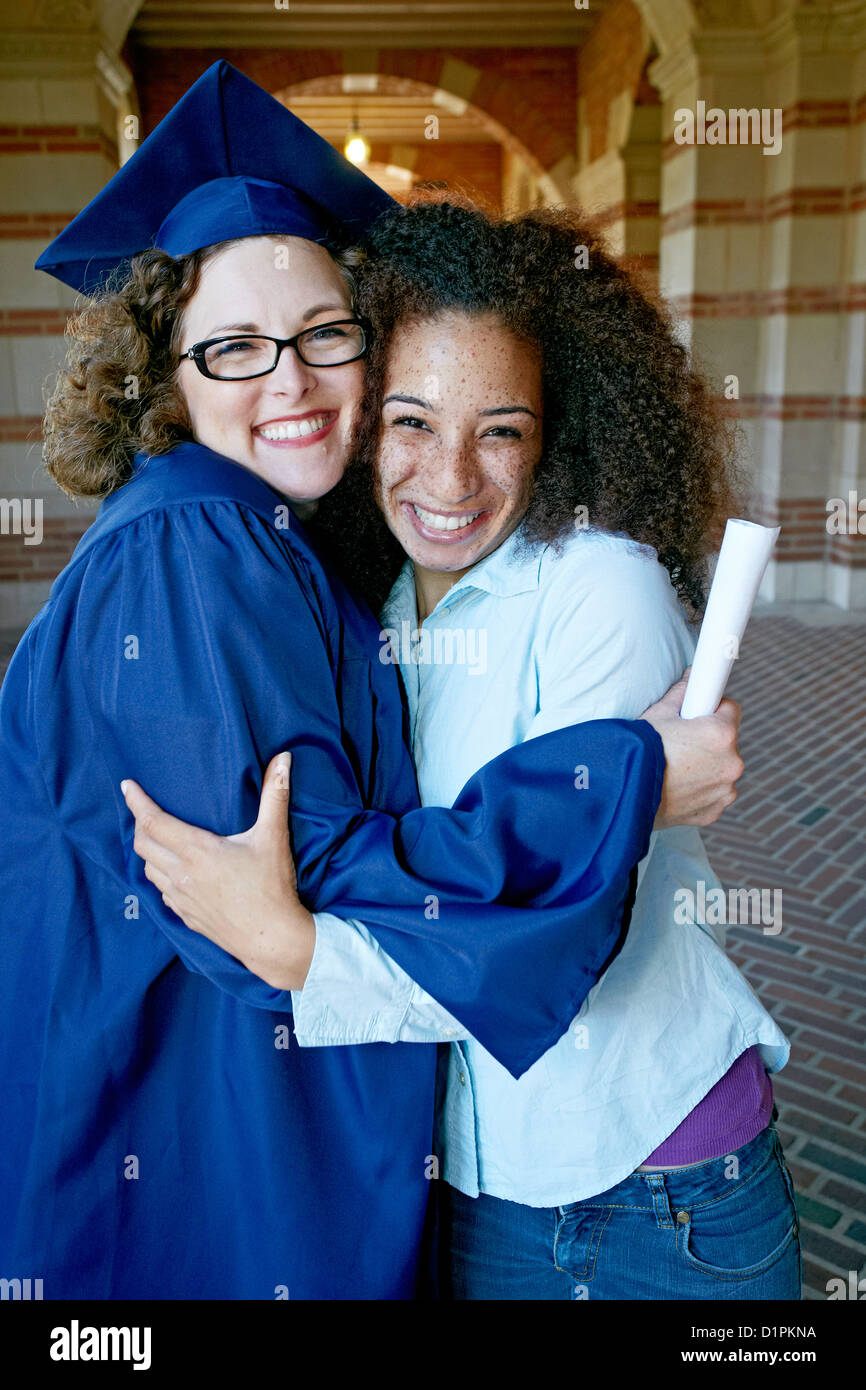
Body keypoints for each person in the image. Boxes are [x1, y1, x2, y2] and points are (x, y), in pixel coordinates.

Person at [0, 63, 743, 1301]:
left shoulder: (274, 542)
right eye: (232, 347)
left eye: (322, 334)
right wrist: (627, 779)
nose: (286, 379)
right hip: (187, 1129)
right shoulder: (197, 548)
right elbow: (303, 883)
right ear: (165, 375)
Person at [126, 198, 797, 1302]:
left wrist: (298, 953)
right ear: (355, 422)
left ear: (556, 430)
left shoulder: (597, 590)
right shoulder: (364, 603)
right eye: (410, 422)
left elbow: (546, 930)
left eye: (500, 428)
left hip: (656, 1190)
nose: (450, 480)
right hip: (477, 1184)